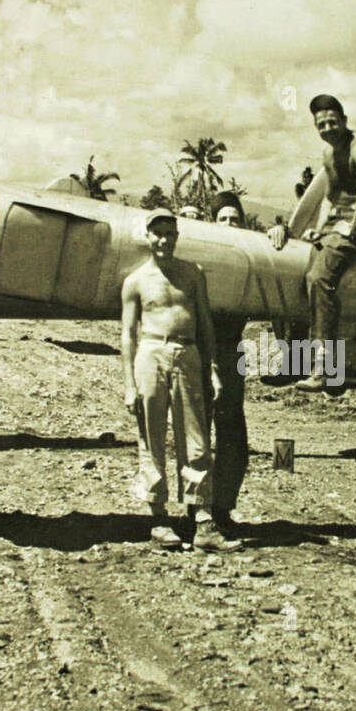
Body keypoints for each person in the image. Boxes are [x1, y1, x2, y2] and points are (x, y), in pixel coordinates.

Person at [121, 209, 237, 551]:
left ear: (177, 236)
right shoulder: (136, 281)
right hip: (151, 354)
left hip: (188, 355)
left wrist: (212, 367)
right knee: (152, 437)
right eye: (157, 233)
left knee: (196, 438)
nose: (164, 240)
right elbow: (128, 333)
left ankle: (203, 523)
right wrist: (129, 383)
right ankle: (158, 520)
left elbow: (204, 322)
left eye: (170, 233)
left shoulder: (192, 274)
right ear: (147, 236)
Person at [266, 94, 356, 393]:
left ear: (344, 119)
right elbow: (329, 197)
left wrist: (353, 229)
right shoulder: (329, 153)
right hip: (331, 229)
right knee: (297, 274)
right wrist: (318, 229)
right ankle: (295, 361)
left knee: (319, 278)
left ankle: (323, 368)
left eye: (332, 121)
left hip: (354, 231)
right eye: (321, 124)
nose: (327, 128)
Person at [208, 191, 250, 532]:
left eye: (235, 219)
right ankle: (198, 511)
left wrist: (282, 234)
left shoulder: (248, 256)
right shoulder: (203, 257)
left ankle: (222, 508)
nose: (229, 225)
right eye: (222, 219)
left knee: (233, 434)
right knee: (193, 434)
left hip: (232, 352)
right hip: (199, 351)